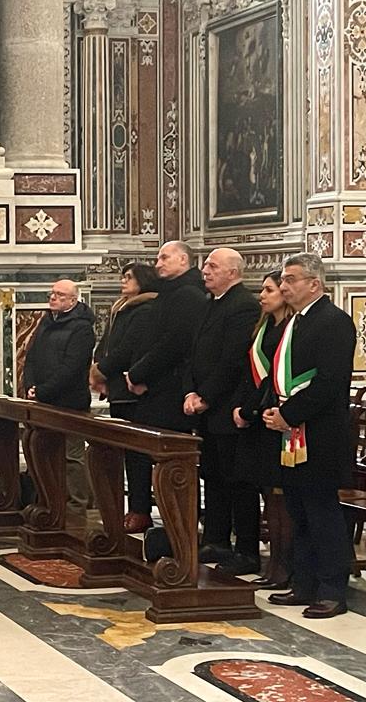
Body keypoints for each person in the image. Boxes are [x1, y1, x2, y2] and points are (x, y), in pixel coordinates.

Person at [265, 253, 356, 619]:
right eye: (283, 279)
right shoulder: (295, 323)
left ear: (314, 284)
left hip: (321, 432)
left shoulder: (334, 322)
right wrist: (276, 411)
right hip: (292, 432)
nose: (284, 285)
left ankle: (333, 589)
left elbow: (329, 382)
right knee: (298, 509)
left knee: (322, 511)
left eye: (291, 279)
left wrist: (288, 414)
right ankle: (304, 583)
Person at [183, 248, 261, 570]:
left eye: (213, 266)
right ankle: (215, 539)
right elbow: (194, 352)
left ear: (233, 272)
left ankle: (245, 550)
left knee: (238, 481)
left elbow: (232, 360)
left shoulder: (243, 306)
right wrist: (190, 390)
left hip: (229, 407)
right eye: (205, 265)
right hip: (206, 408)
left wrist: (206, 396)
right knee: (212, 476)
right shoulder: (209, 303)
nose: (205, 270)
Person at [124, 242, 208, 524]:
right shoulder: (170, 293)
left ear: (183, 260)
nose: (157, 263)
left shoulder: (189, 296)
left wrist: (138, 375)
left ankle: (181, 522)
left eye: (164, 257)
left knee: (174, 463)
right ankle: (162, 519)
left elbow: (173, 345)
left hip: (170, 392)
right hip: (155, 388)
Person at [232, 270, 294, 588]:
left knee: (279, 495)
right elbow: (251, 373)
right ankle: (274, 565)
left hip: (273, 419)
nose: (263, 295)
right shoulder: (264, 328)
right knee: (267, 495)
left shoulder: (288, 329)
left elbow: (274, 379)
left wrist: (251, 409)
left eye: (269, 289)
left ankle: (284, 565)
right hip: (257, 421)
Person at [90, 263, 160, 533]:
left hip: (133, 391)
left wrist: (100, 372)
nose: (123, 281)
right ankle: (129, 507)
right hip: (117, 389)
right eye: (123, 276)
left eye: (129, 277)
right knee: (126, 452)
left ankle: (140, 509)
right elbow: (106, 343)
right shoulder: (123, 308)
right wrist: (99, 369)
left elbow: (127, 349)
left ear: (143, 281)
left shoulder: (146, 309)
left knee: (137, 455)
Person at [23, 279, 96, 526]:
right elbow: (31, 356)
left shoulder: (82, 328)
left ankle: (75, 507)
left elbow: (72, 367)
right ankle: (49, 500)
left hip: (69, 401)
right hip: (43, 398)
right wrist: (30, 386)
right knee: (44, 451)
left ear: (73, 301)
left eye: (59, 295)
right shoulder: (47, 321)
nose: (52, 298)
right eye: (51, 293)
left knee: (72, 456)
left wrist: (43, 390)